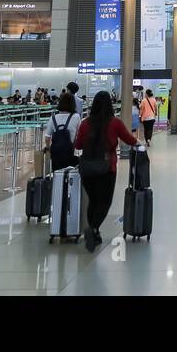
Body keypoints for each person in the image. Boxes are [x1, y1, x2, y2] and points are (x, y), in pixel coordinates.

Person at [73, 91, 138, 252]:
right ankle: (93, 228)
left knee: (93, 201)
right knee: (104, 202)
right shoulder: (114, 122)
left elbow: (78, 145)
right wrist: (139, 144)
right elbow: (129, 139)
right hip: (107, 168)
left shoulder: (85, 123)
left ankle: (94, 232)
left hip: (87, 168)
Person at [43, 92, 81, 170]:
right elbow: (78, 135)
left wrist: (48, 147)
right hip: (70, 151)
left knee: (57, 174)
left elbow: (47, 137)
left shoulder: (53, 118)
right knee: (70, 174)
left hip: (56, 152)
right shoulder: (76, 117)